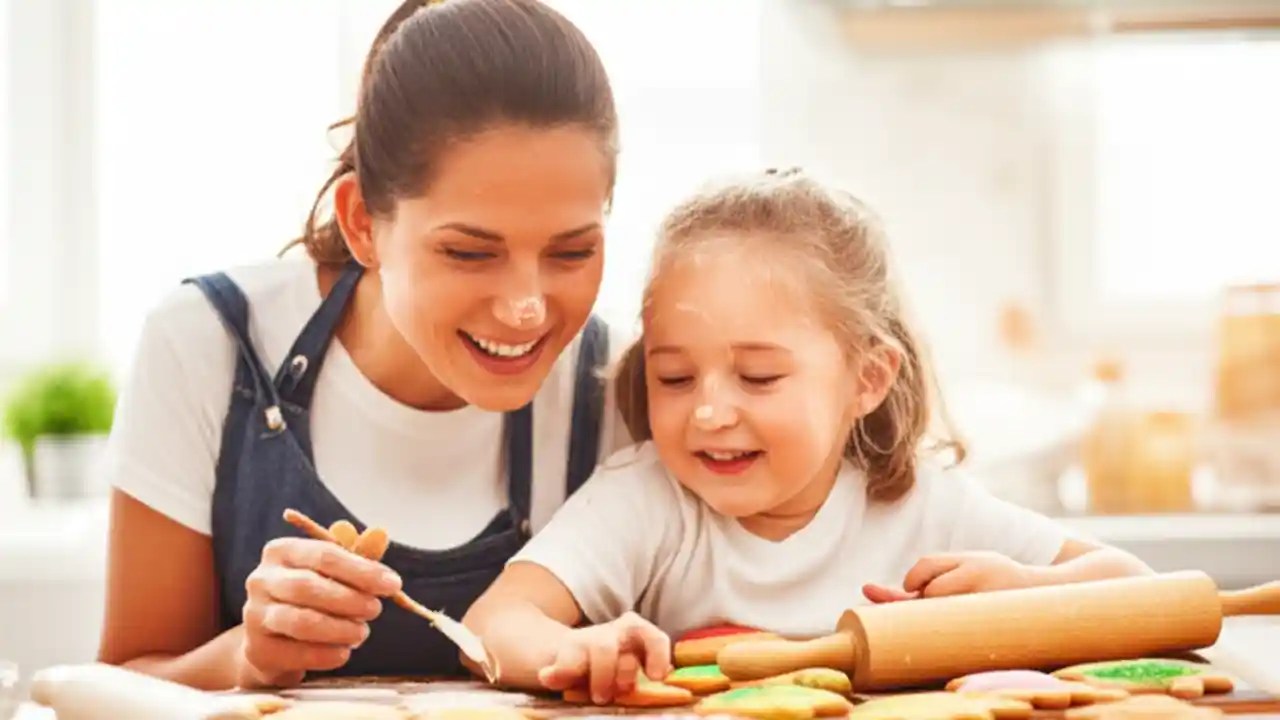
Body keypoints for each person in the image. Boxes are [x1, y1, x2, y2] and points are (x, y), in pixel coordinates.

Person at [96, 0, 631, 690]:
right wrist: (248, 658)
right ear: (362, 224)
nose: (526, 307)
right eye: (470, 253)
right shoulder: (210, 346)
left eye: (572, 251)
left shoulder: (617, 385)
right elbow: (117, 686)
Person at [463, 169, 1154, 703]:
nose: (708, 413)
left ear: (868, 378)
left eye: (758, 377)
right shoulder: (648, 502)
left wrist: (1028, 587)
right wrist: (573, 650)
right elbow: (493, 624)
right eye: (674, 378)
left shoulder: (926, 508)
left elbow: (1139, 592)